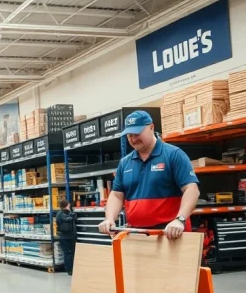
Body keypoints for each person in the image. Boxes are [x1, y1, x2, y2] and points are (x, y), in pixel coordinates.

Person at [98, 110, 200, 239]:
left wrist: (180, 220)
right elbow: (117, 195)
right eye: (129, 135)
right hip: (137, 234)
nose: (133, 139)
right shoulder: (125, 163)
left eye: (137, 133)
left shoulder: (173, 155)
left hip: (171, 233)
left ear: (151, 127)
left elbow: (192, 189)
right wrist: (110, 218)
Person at [55, 199, 77, 275]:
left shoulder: (58, 214)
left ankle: (69, 269)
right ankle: (70, 269)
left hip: (63, 237)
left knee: (67, 253)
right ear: (66, 206)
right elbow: (72, 218)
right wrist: (70, 212)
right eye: (68, 205)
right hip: (69, 236)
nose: (69, 206)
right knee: (70, 253)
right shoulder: (64, 214)